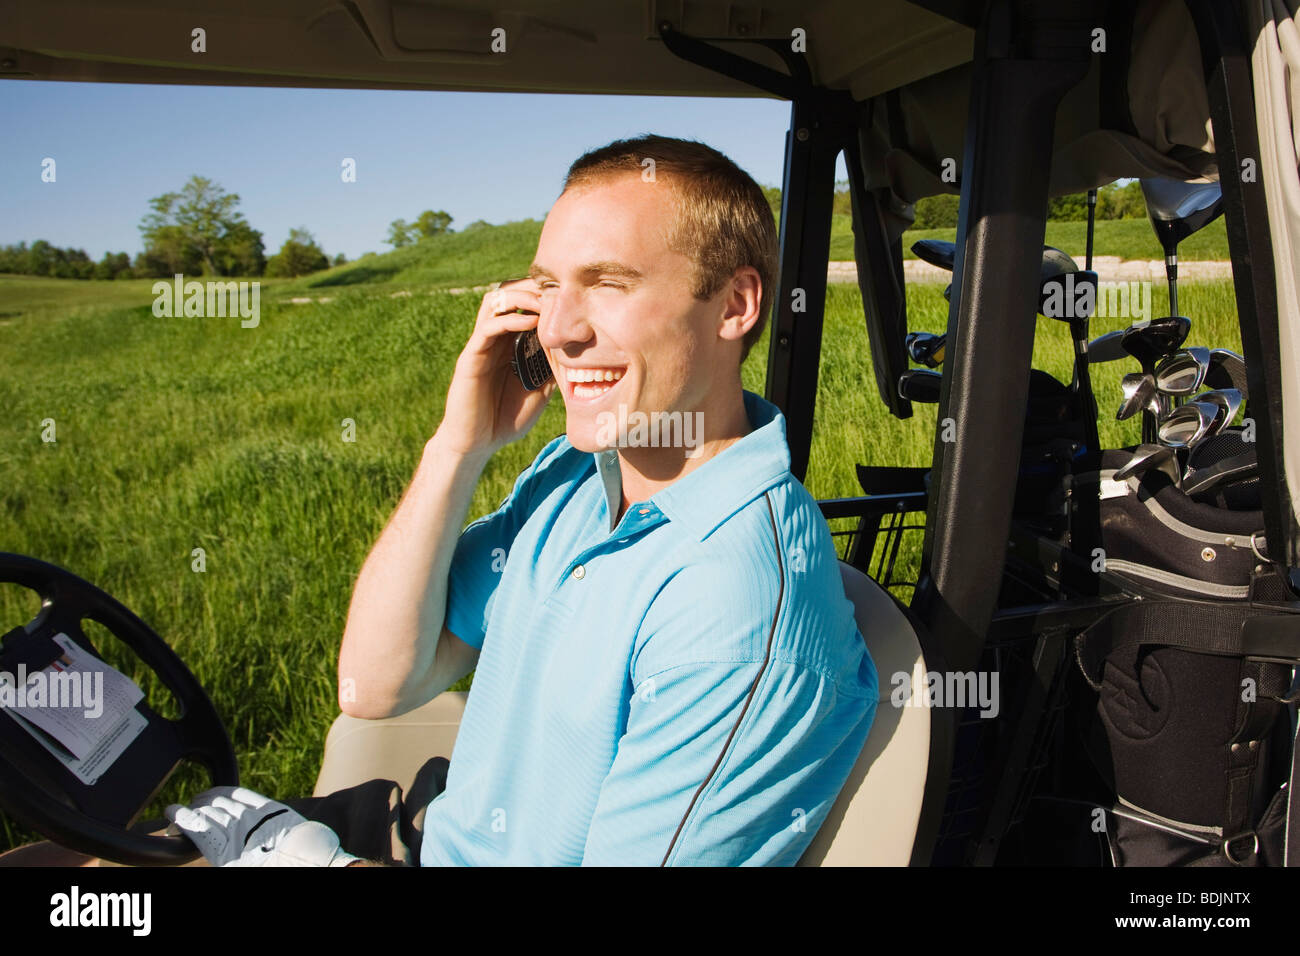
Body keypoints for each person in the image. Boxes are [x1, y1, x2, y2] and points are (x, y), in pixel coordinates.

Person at [4, 134, 878, 867]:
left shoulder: (734, 606)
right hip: (422, 837)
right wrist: (460, 446)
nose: (561, 330)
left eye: (608, 284)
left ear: (736, 304)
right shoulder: (580, 480)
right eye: (548, 286)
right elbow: (376, 682)